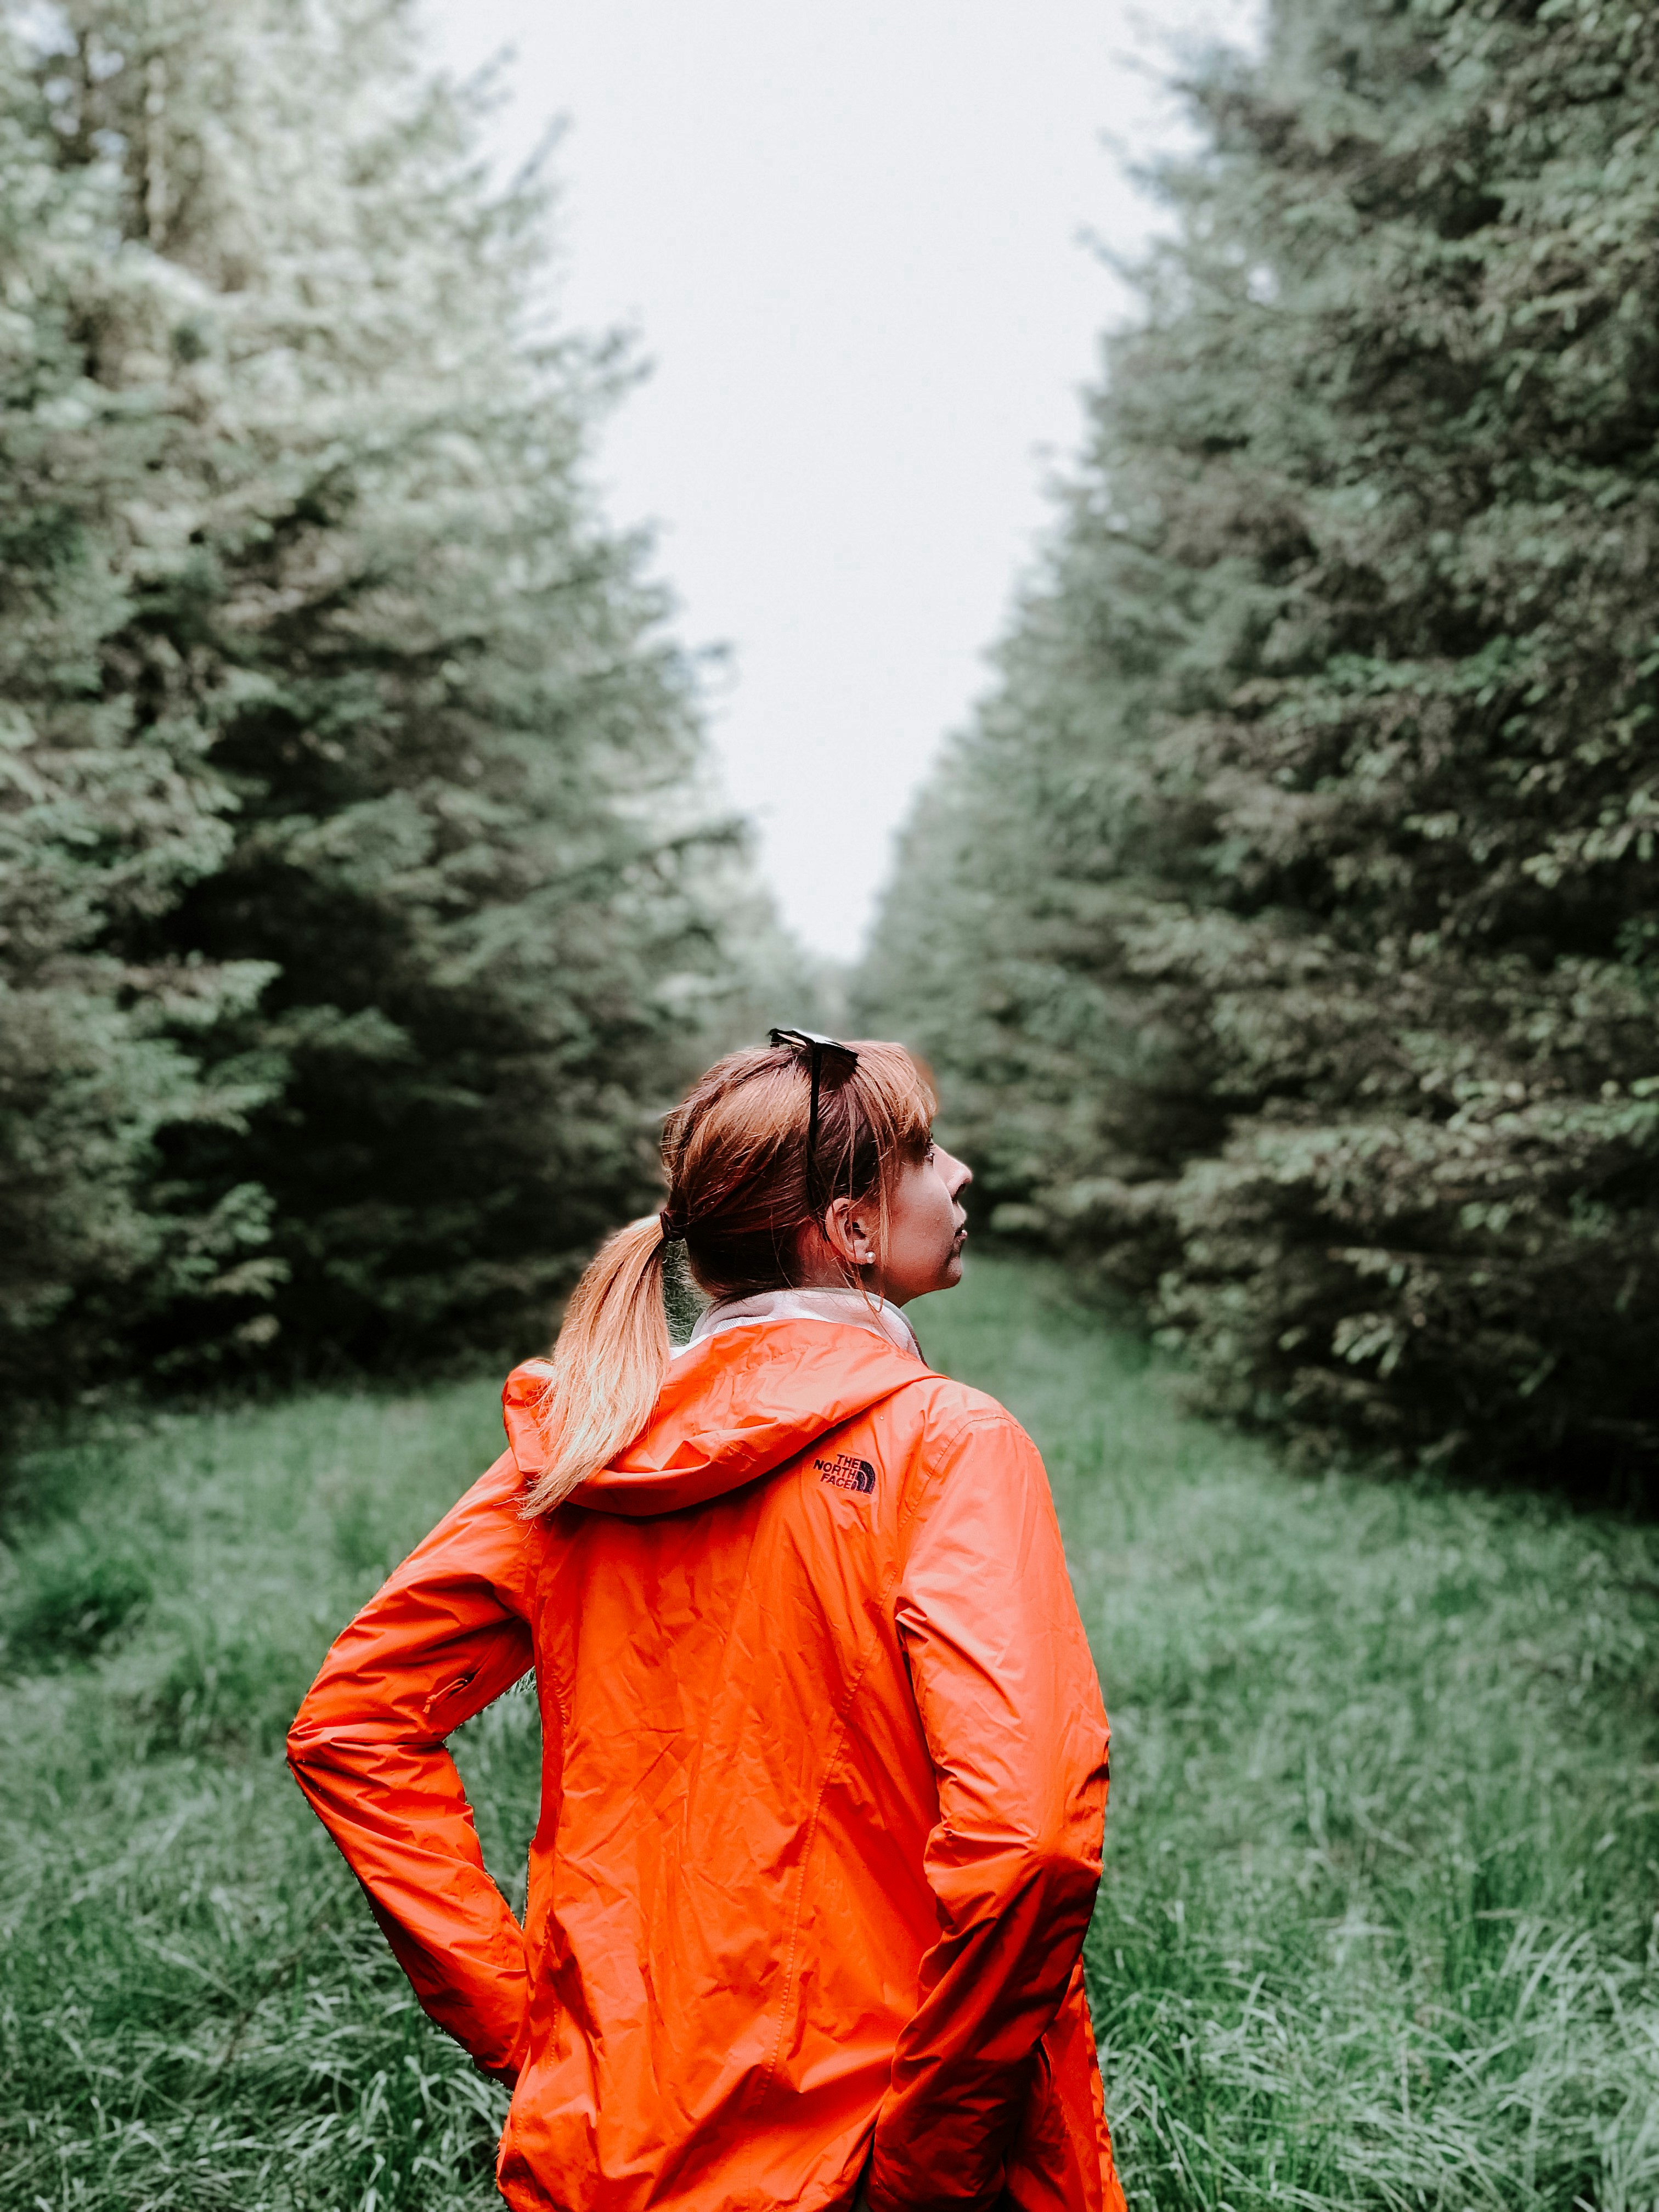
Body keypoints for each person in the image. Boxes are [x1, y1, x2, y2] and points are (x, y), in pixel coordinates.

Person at [287, 1030, 1124, 2212]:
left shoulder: (585, 1447)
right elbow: (1028, 1842)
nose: (961, 1172)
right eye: (926, 1151)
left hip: (604, 2138)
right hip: (861, 2146)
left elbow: (352, 1726)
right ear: (851, 1230)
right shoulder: (948, 1445)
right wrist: (933, 2156)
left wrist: (524, 2023)